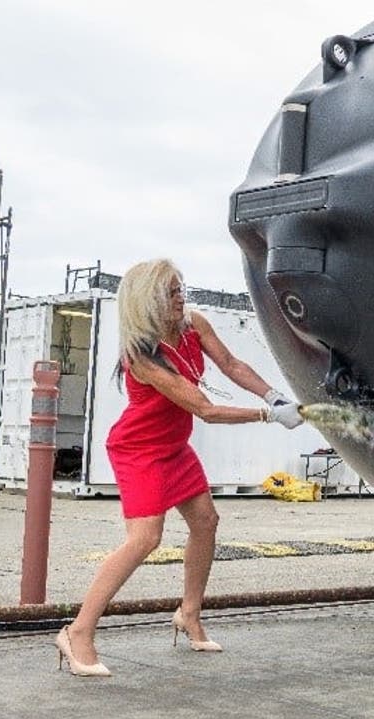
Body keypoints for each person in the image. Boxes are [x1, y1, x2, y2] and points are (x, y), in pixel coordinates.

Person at [54, 259, 304, 677]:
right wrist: (266, 416)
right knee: (144, 539)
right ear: (146, 301)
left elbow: (232, 365)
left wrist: (275, 395)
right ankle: (77, 632)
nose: (180, 298)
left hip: (173, 446)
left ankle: (189, 614)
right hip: (140, 450)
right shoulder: (142, 358)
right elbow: (204, 409)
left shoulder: (194, 324)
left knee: (205, 521)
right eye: (170, 292)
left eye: (180, 288)